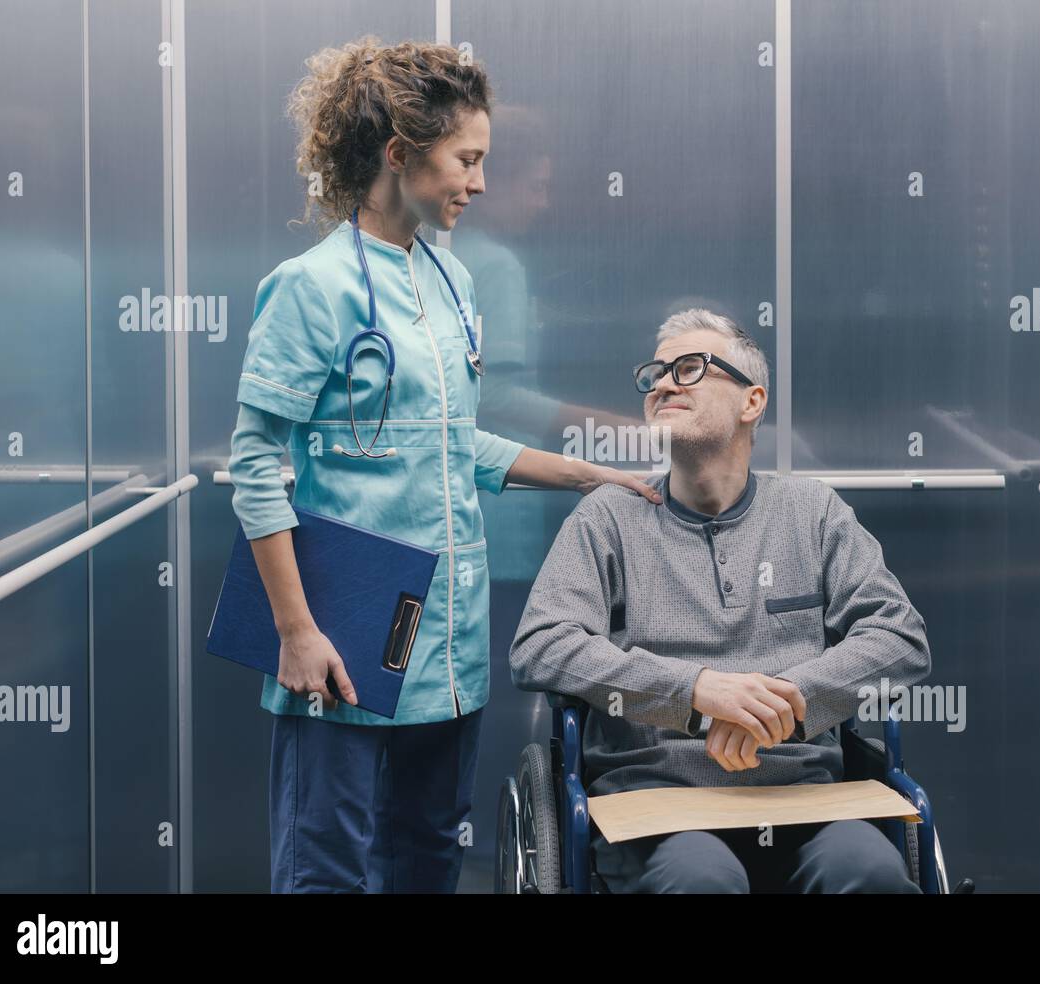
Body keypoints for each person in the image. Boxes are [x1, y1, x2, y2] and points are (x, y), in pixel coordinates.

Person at [226, 37, 659, 894]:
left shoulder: (454, 283)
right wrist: (296, 631)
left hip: (447, 630)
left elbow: (453, 442)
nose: (481, 180)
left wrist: (587, 475)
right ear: (399, 155)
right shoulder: (310, 287)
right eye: (467, 158)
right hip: (344, 632)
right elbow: (253, 463)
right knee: (328, 866)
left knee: (429, 857)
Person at [509, 309, 932, 893]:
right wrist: (695, 693)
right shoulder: (609, 517)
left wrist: (789, 703)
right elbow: (541, 645)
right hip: (660, 807)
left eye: (689, 368)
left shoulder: (813, 513)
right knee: (700, 880)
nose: (662, 384)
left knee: (871, 873)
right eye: (656, 373)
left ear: (751, 402)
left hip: (805, 800)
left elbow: (900, 639)